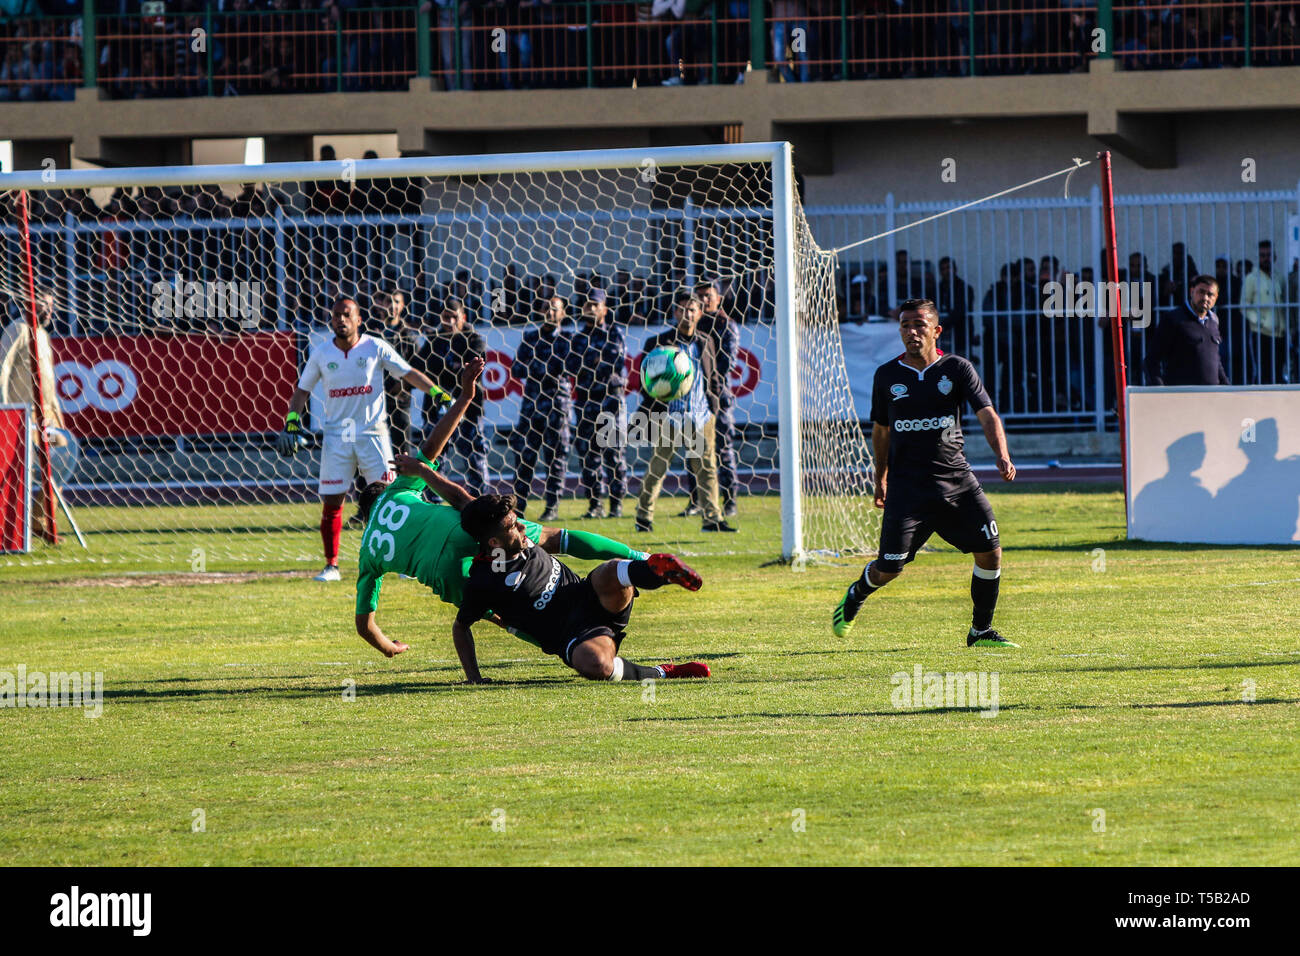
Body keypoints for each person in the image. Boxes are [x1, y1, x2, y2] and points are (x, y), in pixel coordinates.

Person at [352, 358, 654, 663]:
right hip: (464, 528)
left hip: (445, 572)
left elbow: (364, 626)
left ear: (366, 517)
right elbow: (432, 445)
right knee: (552, 537)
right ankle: (641, 559)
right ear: (384, 486)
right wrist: (465, 396)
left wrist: (390, 647)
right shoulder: (396, 490)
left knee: (497, 610)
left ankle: (566, 642)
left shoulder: (367, 552)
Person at [831, 299, 1019, 648]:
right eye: (904, 325)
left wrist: (1002, 455)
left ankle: (980, 631)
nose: (911, 332)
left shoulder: (957, 369)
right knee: (888, 570)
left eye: (918, 324)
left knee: (991, 550)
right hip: (908, 490)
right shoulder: (887, 376)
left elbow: (987, 414)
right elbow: (882, 431)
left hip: (957, 483)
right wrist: (880, 478)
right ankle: (856, 594)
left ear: (936, 330)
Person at [454, 493, 711, 683]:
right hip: (575, 635)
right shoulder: (482, 582)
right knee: (596, 664)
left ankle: (662, 572)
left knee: (612, 570)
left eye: (517, 520)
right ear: (493, 541)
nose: (522, 527)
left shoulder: (521, 539)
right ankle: (662, 672)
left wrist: (636, 555)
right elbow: (461, 626)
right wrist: (474, 677)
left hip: (593, 595)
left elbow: (568, 540)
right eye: (513, 526)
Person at [277, 296, 441, 583]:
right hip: (337, 436)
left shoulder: (375, 346)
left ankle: (404, 562)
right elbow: (302, 391)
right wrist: (292, 421)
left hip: (372, 434)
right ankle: (331, 566)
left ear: (358, 319)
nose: (341, 319)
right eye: (336, 314)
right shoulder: (321, 353)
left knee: (395, 498)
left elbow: (408, 372)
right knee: (332, 501)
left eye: (346, 314)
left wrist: (438, 393)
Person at [634, 292, 737, 533]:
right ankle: (643, 517)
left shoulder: (706, 341)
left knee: (707, 469)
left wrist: (714, 408)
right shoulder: (658, 343)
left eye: (692, 310)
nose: (687, 315)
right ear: (674, 313)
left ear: (700, 313)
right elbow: (645, 380)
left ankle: (712, 519)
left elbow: (712, 377)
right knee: (658, 468)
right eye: (682, 310)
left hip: (700, 416)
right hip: (669, 416)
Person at [0, 290, 67, 542]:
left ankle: (38, 519)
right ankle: (25, 524)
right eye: (43, 306)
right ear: (29, 304)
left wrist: (58, 416)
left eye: (51, 306)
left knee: (64, 454)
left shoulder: (44, 335)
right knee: (20, 471)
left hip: (46, 417)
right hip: (21, 416)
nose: (49, 311)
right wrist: (5, 409)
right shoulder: (18, 329)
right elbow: (3, 366)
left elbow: (49, 380)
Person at [413, 297, 489, 493]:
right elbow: (420, 367)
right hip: (436, 410)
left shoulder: (475, 339)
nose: (450, 322)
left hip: (469, 412)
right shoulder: (434, 341)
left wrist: (442, 368)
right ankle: (433, 502)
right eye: (446, 317)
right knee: (433, 460)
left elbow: (472, 369)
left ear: (463, 317)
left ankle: (480, 503)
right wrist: (452, 367)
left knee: (475, 459)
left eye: (454, 317)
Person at [568, 288, 628, 518]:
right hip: (586, 401)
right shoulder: (578, 337)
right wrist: (594, 361)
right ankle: (595, 504)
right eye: (587, 305)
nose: (591, 309)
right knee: (588, 455)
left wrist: (591, 363)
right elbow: (572, 365)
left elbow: (616, 360)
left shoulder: (614, 333)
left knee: (614, 454)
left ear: (605, 308)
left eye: (595, 304)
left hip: (610, 400)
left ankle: (616, 504)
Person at [512, 294, 572, 521]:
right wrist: (544, 370)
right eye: (546, 307)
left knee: (556, 457)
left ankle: (552, 506)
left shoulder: (567, 339)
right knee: (525, 457)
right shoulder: (530, 338)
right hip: (532, 406)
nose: (550, 312)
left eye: (555, 308)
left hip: (557, 405)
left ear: (563, 313)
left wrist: (539, 368)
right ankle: (518, 508)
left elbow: (570, 366)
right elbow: (517, 369)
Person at [683, 279, 739, 518]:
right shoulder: (692, 327)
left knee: (722, 450)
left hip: (717, 397)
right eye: (700, 296)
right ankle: (696, 500)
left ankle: (730, 500)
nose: (704, 300)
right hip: (692, 398)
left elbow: (727, 362)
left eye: (708, 295)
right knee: (693, 452)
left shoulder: (727, 325)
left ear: (719, 298)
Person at [1145, 275, 1230, 386]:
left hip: (1211, 396)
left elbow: (1215, 361)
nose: (1205, 298)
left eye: (1210, 294)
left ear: (1216, 298)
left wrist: (1226, 387)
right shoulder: (1173, 319)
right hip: (1182, 397)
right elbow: (1152, 359)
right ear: (1191, 291)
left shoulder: (1214, 321)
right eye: (1201, 292)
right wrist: (1161, 390)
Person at [1241, 239, 1288, 384]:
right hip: (1262, 334)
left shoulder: (1279, 277)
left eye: (1268, 255)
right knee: (1264, 374)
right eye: (1262, 255)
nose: (1266, 258)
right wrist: (1260, 322)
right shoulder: (1251, 278)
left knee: (1279, 372)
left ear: (1274, 256)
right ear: (1258, 258)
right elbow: (1244, 305)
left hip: (1280, 334)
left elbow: (1285, 303)